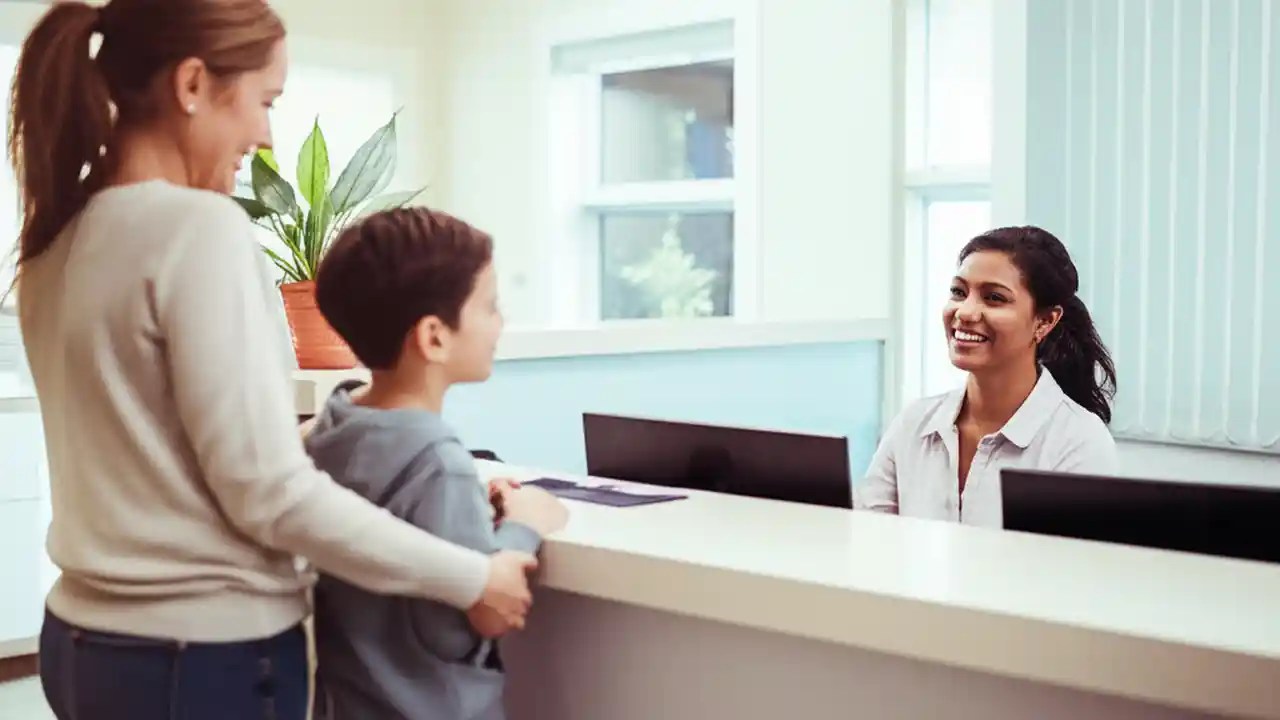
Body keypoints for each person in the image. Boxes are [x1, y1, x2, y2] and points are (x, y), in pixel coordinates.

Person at [8, 2, 536, 718]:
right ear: (192, 84)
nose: (264, 138)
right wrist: (476, 576)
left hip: (82, 644)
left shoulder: (53, 242)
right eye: (265, 101)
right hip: (199, 661)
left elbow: (170, 450)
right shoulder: (197, 229)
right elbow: (268, 494)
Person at [304, 207, 570, 720]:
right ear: (433, 337)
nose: (501, 321)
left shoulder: (330, 431)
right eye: (489, 306)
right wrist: (523, 524)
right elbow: (482, 612)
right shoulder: (437, 465)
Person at [857, 226, 1118, 527]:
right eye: (958, 292)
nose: (965, 312)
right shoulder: (914, 422)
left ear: (1045, 321)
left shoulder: (1078, 440)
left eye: (994, 297)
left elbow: (1071, 568)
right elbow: (869, 539)